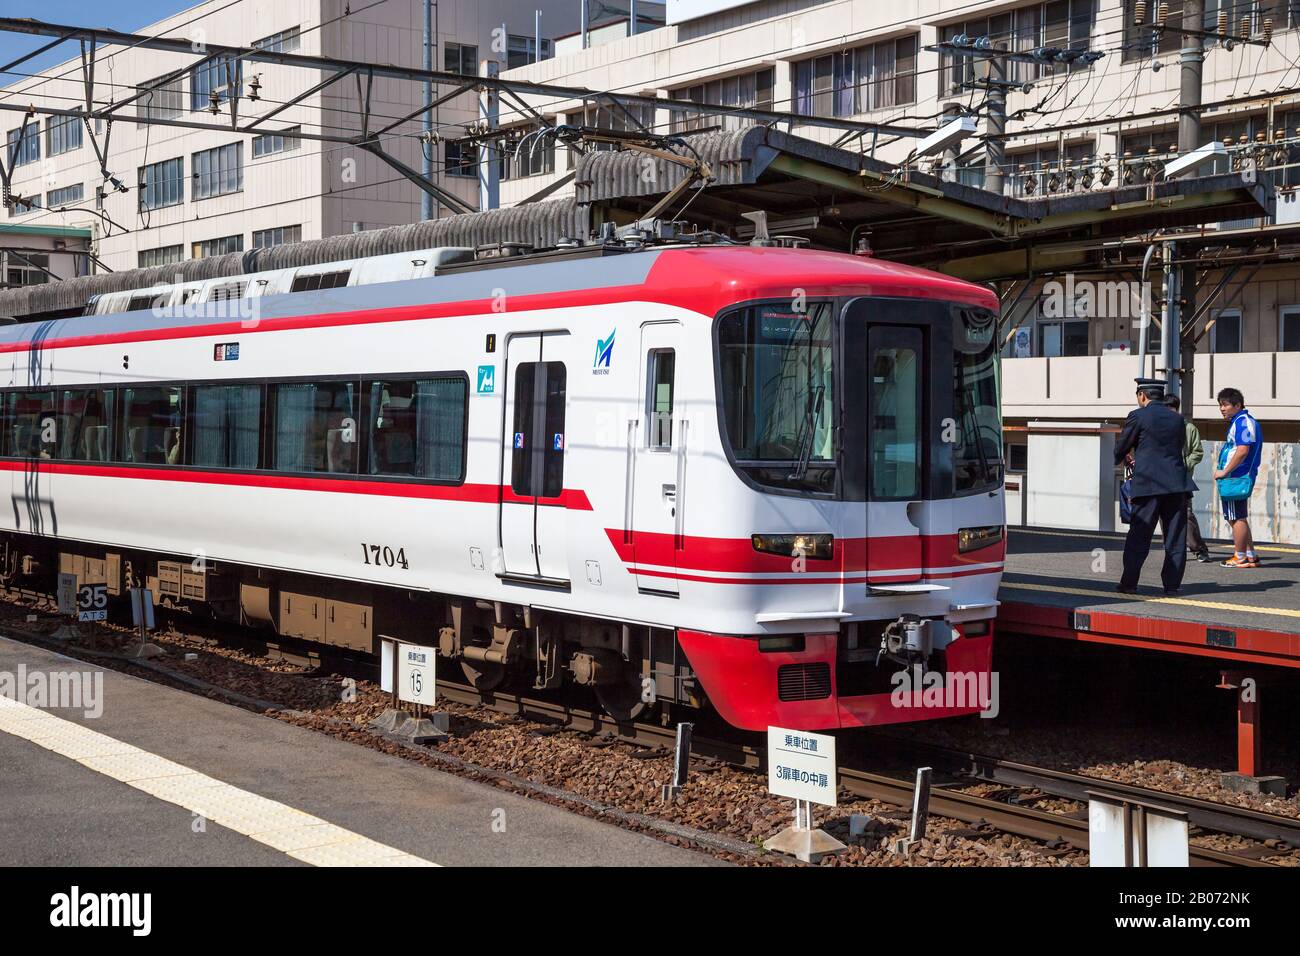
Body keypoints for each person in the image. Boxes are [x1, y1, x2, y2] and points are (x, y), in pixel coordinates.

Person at [1114, 378, 1196, 594]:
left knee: (1139, 537)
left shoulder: (1138, 416)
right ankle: (1171, 586)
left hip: (1149, 484)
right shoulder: (1178, 419)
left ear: (1142, 395)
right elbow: (1176, 448)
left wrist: (1120, 457)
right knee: (1175, 537)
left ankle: (1129, 584)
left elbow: (1123, 445)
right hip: (1177, 485)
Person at [1214, 387, 1262, 569]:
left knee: (1236, 518)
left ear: (1238, 405)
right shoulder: (1243, 421)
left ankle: (1239, 556)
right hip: (1239, 476)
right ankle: (1250, 555)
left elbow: (1242, 451)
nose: (1222, 409)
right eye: (1220, 405)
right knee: (1238, 515)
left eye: (1225, 405)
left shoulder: (1243, 422)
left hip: (1237, 477)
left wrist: (1225, 471)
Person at [1163, 393, 1210, 562]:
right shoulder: (1160, 428)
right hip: (1162, 478)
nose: (1170, 413)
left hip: (1182, 479)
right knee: (1164, 514)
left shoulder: (1189, 428)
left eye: (1172, 409)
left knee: (1186, 514)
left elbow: (1197, 452)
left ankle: (1199, 549)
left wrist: (1185, 465)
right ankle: (1171, 548)